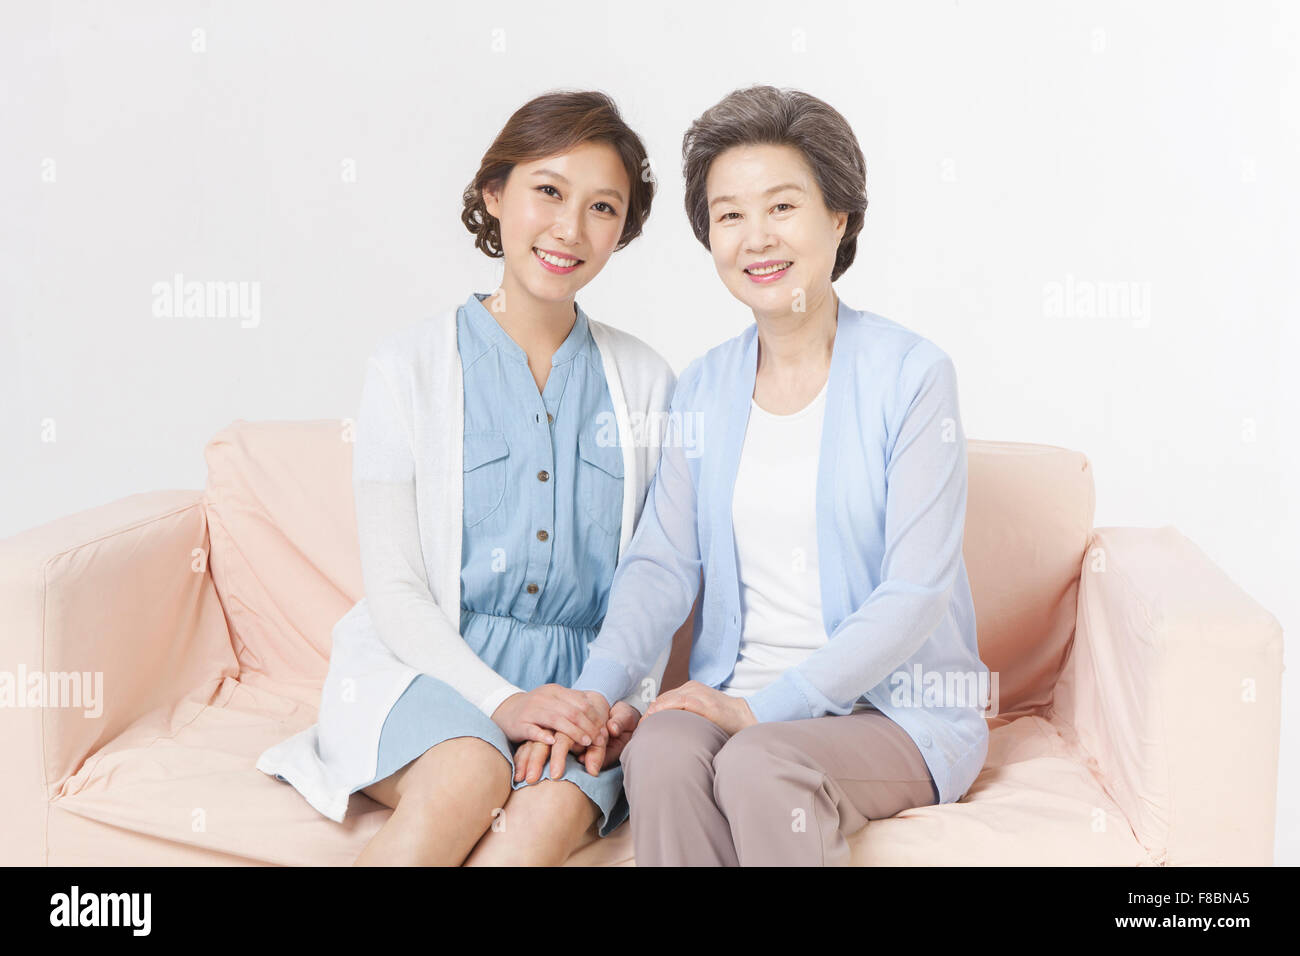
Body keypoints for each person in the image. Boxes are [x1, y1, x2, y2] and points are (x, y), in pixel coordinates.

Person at [562, 85, 991, 866]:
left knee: (760, 761)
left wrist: (763, 711)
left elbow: (916, 593)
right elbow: (660, 563)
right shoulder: (704, 387)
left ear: (840, 218)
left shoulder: (912, 376)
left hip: (892, 714)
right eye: (729, 215)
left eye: (782, 207)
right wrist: (598, 689)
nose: (755, 238)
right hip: (735, 690)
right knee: (658, 748)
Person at [256, 90, 682, 865]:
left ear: (623, 230)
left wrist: (599, 707)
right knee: (468, 770)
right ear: (495, 195)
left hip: (579, 696)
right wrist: (502, 705)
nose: (569, 228)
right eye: (548, 191)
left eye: (602, 208)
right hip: (426, 671)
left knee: (537, 832)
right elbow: (395, 592)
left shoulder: (649, 383)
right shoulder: (406, 369)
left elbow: (652, 584)